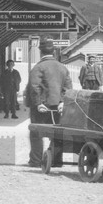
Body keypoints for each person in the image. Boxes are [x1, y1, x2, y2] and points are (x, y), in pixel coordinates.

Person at [27, 38, 73, 167]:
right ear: (53, 52)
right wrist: (63, 102)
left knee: (36, 133)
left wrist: (38, 103)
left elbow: (34, 87)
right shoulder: (63, 68)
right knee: (57, 133)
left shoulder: (38, 67)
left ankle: (35, 161)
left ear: (41, 52)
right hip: (57, 106)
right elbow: (68, 88)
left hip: (41, 107)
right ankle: (56, 161)